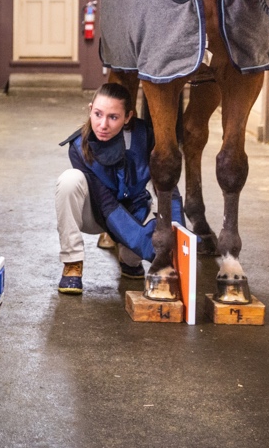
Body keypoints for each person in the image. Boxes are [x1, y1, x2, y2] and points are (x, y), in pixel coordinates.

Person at [55, 83, 177, 294]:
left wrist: (175, 239)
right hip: (96, 213)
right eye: (98, 114)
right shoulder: (78, 146)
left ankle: (128, 260)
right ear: (90, 108)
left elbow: (167, 186)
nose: (103, 124)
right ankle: (72, 263)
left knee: (133, 259)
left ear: (128, 117)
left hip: (133, 209)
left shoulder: (146, 135)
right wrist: (140, 241)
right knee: (69, 180)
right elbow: (105, 202)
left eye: (113, 117)